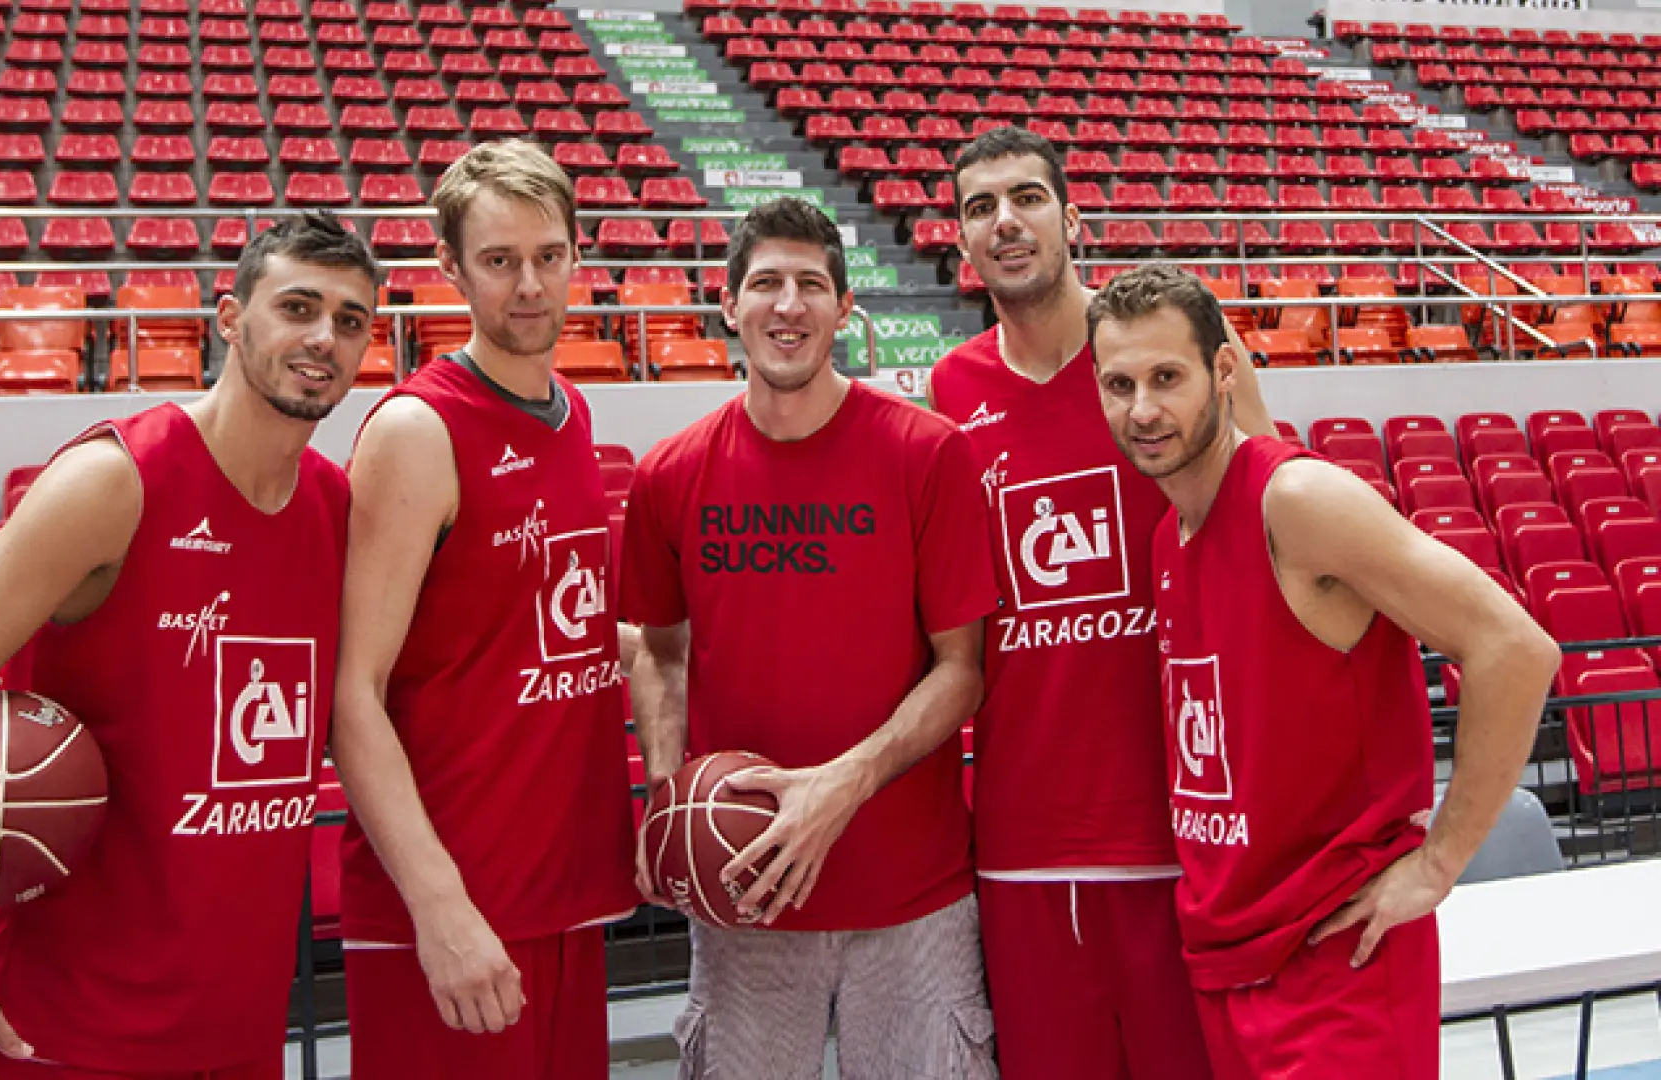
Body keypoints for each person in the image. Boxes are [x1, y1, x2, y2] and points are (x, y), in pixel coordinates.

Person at [0, 210, 378, 1080]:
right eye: (298, 307)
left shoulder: (335, 508)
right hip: (61, 1028)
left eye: (350, 321)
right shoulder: (115, 482)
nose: (324, 338)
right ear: (231, 319)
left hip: (235, 1025)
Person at [1089, 264, 1557, 1079]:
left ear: (1223, 370)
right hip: (1227, 955)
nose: (1142, 409)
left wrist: (1440, 862)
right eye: (1118, 383)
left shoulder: (1297, 501)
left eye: (1167, 376)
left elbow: (1515, 650)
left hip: (1335, 958)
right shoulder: (1173, 535)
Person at [622, 196, 1001, 1078]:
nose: (787, 306)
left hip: (912, 894)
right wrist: (668, 798)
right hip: (744, 894)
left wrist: (845, 783)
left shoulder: (929, 453)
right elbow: (662, 653)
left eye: (809, 285)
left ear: (844, 309)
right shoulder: (668, 475)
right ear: (726, 304)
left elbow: (962, 670)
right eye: (765, 284)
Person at [928, 125, 1272, 1080]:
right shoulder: (950, 390)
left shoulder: (1164, 351)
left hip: (1185, 828)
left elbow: (1266, 522)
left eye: (1028, 197)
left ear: (1072, 216)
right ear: (960, 243)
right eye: (981, 206)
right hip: (1024, 840)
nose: (1007, 221)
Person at [331, 139, 636, 1080]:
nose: (531, 286)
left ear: (579, 257)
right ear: (450, 268)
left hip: (562, 894)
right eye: (500, 261)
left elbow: (528, 624)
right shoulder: (419, 430)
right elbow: (354, 695)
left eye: (549, 256)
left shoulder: (571, 413)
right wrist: (440, 906)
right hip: (457, 912)